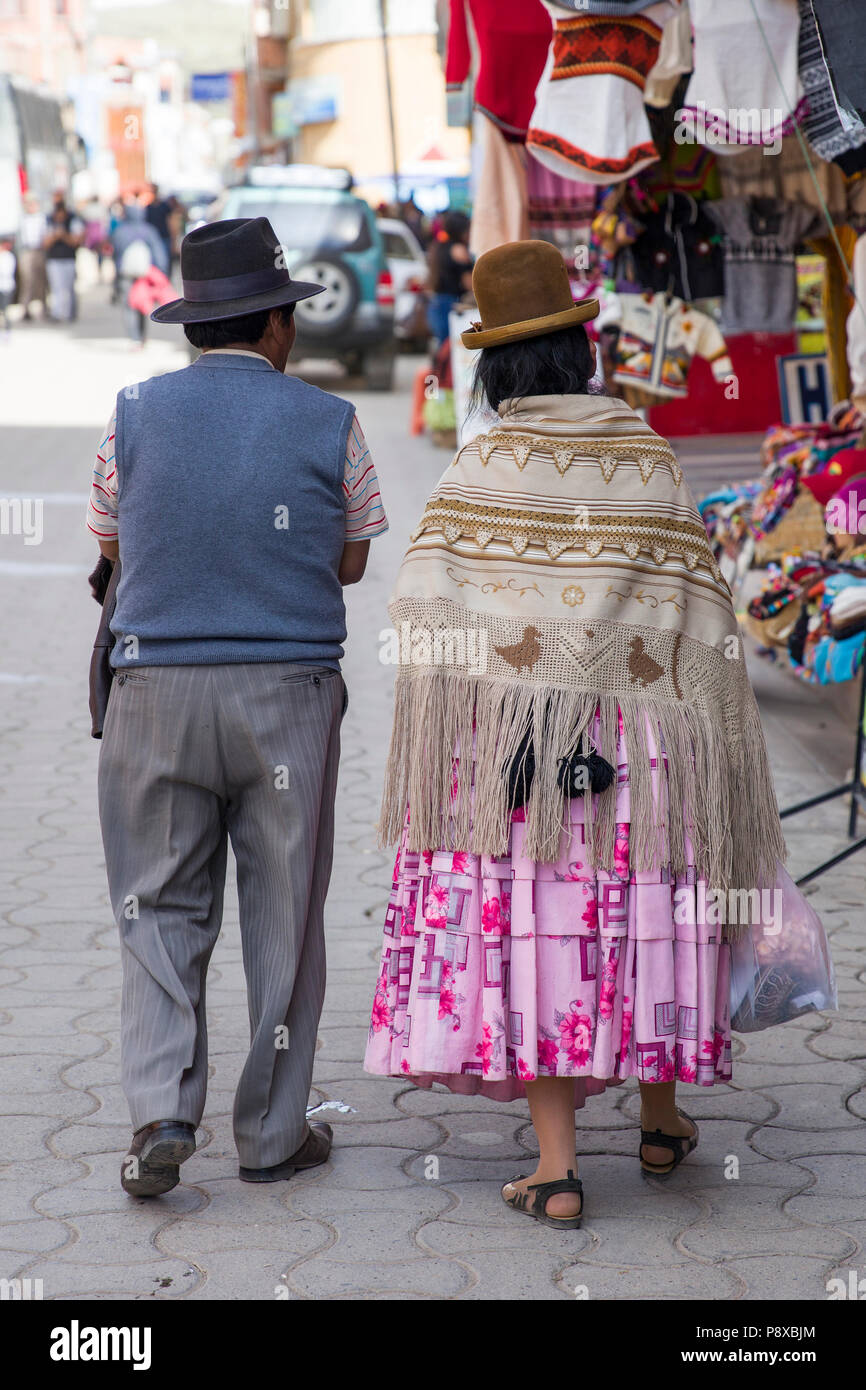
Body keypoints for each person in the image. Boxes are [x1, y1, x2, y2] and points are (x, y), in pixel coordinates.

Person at [364, 239, 804, 1227]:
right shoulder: (642, 450)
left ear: (494, 367)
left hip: (518, 758)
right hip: (640, 749)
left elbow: (422, 603)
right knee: (643, 909)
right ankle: (660, 1119)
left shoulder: (482, 466)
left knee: (544, 928)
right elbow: (698, 608)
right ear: (578, 352)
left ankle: (557, 1168)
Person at [86, 217, 388, 1197]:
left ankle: (165, 1111)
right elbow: (349, 559)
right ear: (274, 326)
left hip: (154, 697)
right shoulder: (330, 421)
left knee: (159, 907)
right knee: (284, 916)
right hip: (288, 697)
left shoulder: (130, 413)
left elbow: (117, 545)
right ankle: (268, 1133)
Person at [110, 200, 170, 346]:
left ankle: (134, 338)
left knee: (128, 305)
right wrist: (162, 272)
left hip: (125, 274)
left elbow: (115, 254)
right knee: (143, 303)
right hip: (145, 274)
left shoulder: (120, 231)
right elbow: (159, 253)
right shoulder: (149, 230)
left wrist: (116, 275)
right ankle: (142, 337)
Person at [426, 210, 472, 346]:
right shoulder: (458, 250)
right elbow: (469, 283)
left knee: (444, 347)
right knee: (452, 348)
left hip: (436, 303)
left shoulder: (438, 247)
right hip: (451, 304)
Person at [44, 192, 83, 321]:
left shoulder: (72, 219)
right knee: (56, 287)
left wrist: (64, 235)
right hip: (54, 259)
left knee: (69, 288)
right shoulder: (49, 219)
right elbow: (45, 242)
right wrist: (56, 236)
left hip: (68, 258)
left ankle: (69, 313)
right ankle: (57, 313)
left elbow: (76, 240)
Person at [17, 194, 48, 319]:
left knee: (41, 280)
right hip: (26, 251)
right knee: (27, 280)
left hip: (39, 250)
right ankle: (25, 308)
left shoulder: (41, 218)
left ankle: (43, 306)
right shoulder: (22, 219)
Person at [0, 235, 16, 335]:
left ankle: (7, 331)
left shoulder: (9, 256)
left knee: (5, 311)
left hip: (6, 287)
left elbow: (6, 272)